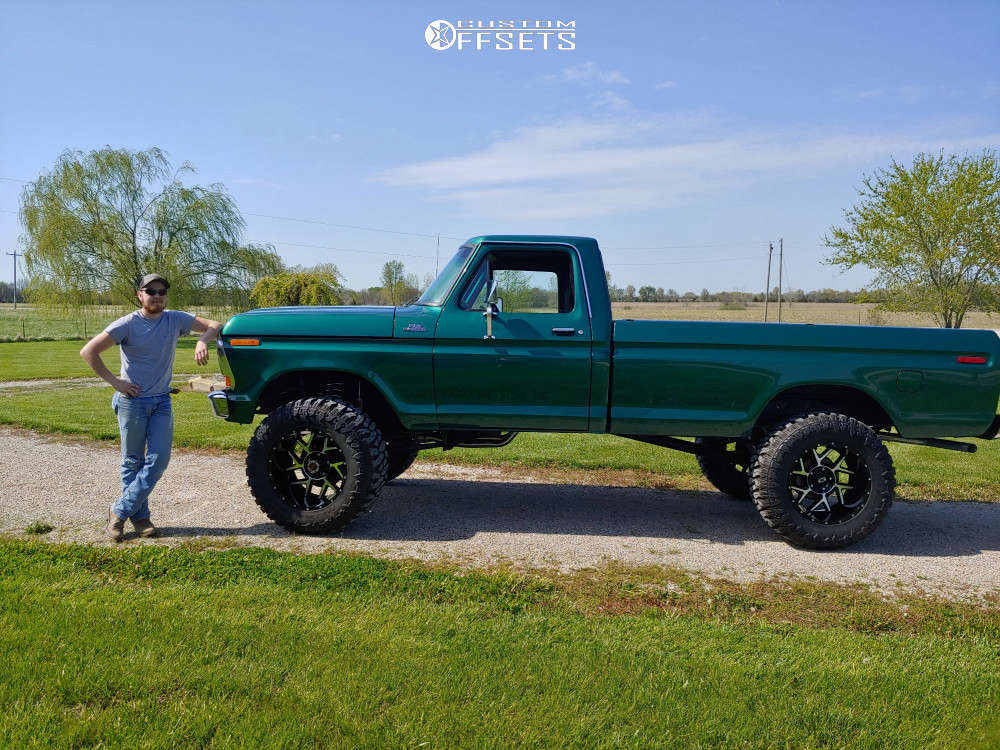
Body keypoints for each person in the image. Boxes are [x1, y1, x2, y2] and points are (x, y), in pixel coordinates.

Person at [80, 274, 222, 542]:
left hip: (161, 402)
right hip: (131, 402)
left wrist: (203, 340)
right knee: (132, 461)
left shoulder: (175, 319)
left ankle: (118, 511)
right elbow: (88, 351)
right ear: (140, 295)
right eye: (151, 291)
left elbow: (215, 325)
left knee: (158, 460)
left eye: (162, 292)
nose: (157, 296)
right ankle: (141, 518)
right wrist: (116, 383)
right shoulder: (127, 324)